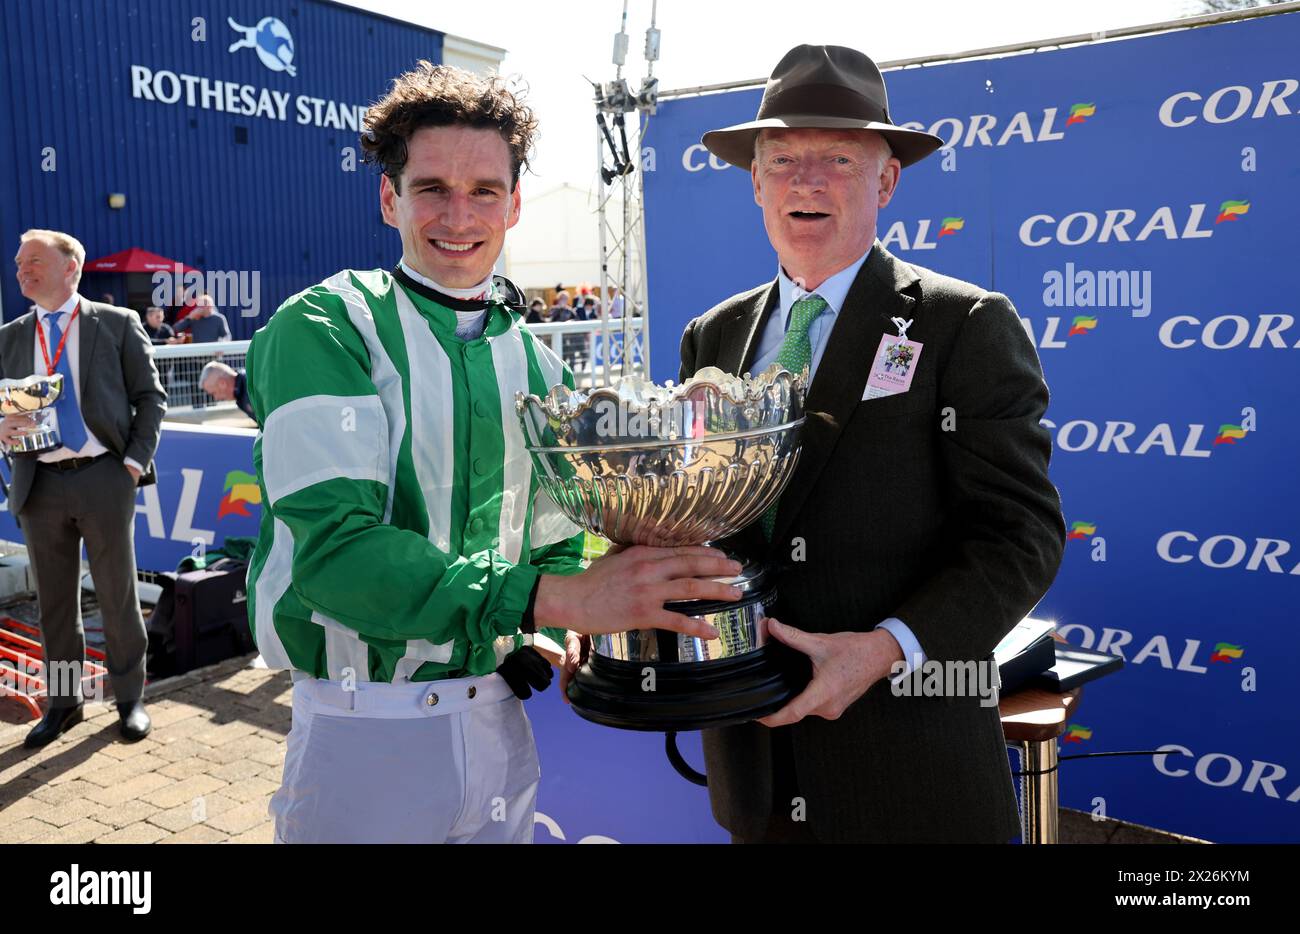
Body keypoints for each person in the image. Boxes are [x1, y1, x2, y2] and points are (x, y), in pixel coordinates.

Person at [245, 61, 733, 844]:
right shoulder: (327, 324)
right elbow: (334, 557)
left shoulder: (539, 363)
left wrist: (561, 617)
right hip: (367, 731)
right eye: (431, 187)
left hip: (502, 725)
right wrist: (552, 600)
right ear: (388, 198)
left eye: (484, 192)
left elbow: (555, 540)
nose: (457, 215)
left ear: (512, 206)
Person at [678, 45, 1066, 844]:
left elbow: (1020, 539)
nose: (805, 181)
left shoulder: (964, 324)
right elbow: (701, 519)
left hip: (910, 769)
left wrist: (886, 650)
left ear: (886, 181)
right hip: (756, 762)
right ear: (755, 181)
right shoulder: (710, 335)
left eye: (837, 160)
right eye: (782, 159)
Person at [2, 229, 166, 747]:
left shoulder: (116, 324)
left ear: (71, 267)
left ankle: (128, 700)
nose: (23, 269)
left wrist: (133, 465)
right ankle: (65, 705)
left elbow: (150, 398)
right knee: (54, 604)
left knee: (118, 597)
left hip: (104, 477)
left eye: (34, 261)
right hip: (38, 482)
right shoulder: (10, 336)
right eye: (19, 263)